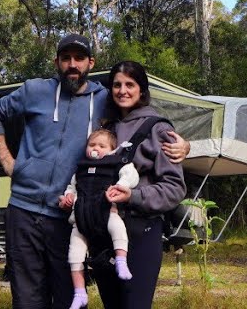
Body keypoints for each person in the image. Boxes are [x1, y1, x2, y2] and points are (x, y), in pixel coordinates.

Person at [0, 34, 189, 309]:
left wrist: (186, 145)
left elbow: (148, 120)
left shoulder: (104, 100)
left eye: (79, 58)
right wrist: (8, 161)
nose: (72, 64)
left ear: (90, 62)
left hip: (69, 216)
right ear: (56, 61)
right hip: (25, 208)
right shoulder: (35, 90)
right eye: (65, 58)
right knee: (27, 297)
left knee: (70, 298)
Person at [89, 61, 186, 309]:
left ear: (142, 90)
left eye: (130, 85)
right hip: (103, 231)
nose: (123, 90)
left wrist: (133, 196)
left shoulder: (159, 129)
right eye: (117, 85)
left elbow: (174, 187)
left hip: (141, 230)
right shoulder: (104, 131)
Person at [63, 129, 139, 309]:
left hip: (106, 213)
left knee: (118, 228)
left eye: (101, 146)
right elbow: (71, 188)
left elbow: (131, 175)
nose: (95, 148)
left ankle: (121, 261)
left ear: (113, 150)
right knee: (74, 253)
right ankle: (80, 292)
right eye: (92, 145)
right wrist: (67, 196)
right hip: (81, 219)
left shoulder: (116, 164)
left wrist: (121, 186)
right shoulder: (80, 169)